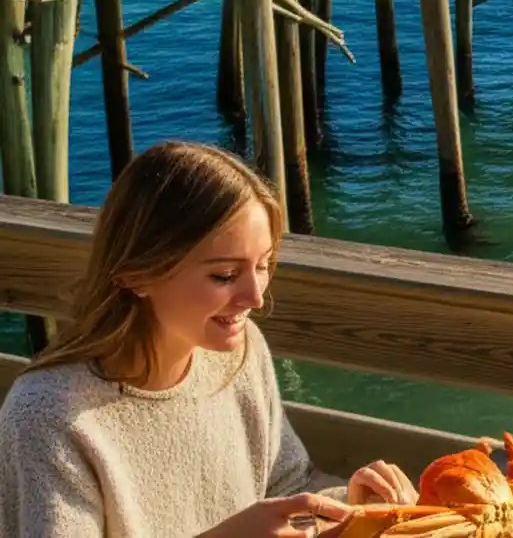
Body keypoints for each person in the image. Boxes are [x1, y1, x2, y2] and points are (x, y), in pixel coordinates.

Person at [0, 141, 421, 537]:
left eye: (264, 264)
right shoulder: (47, 415)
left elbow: (285, 483)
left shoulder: (241, 352)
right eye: (224, 275)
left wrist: (352, 504)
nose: (255, 297)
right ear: (136, 274)